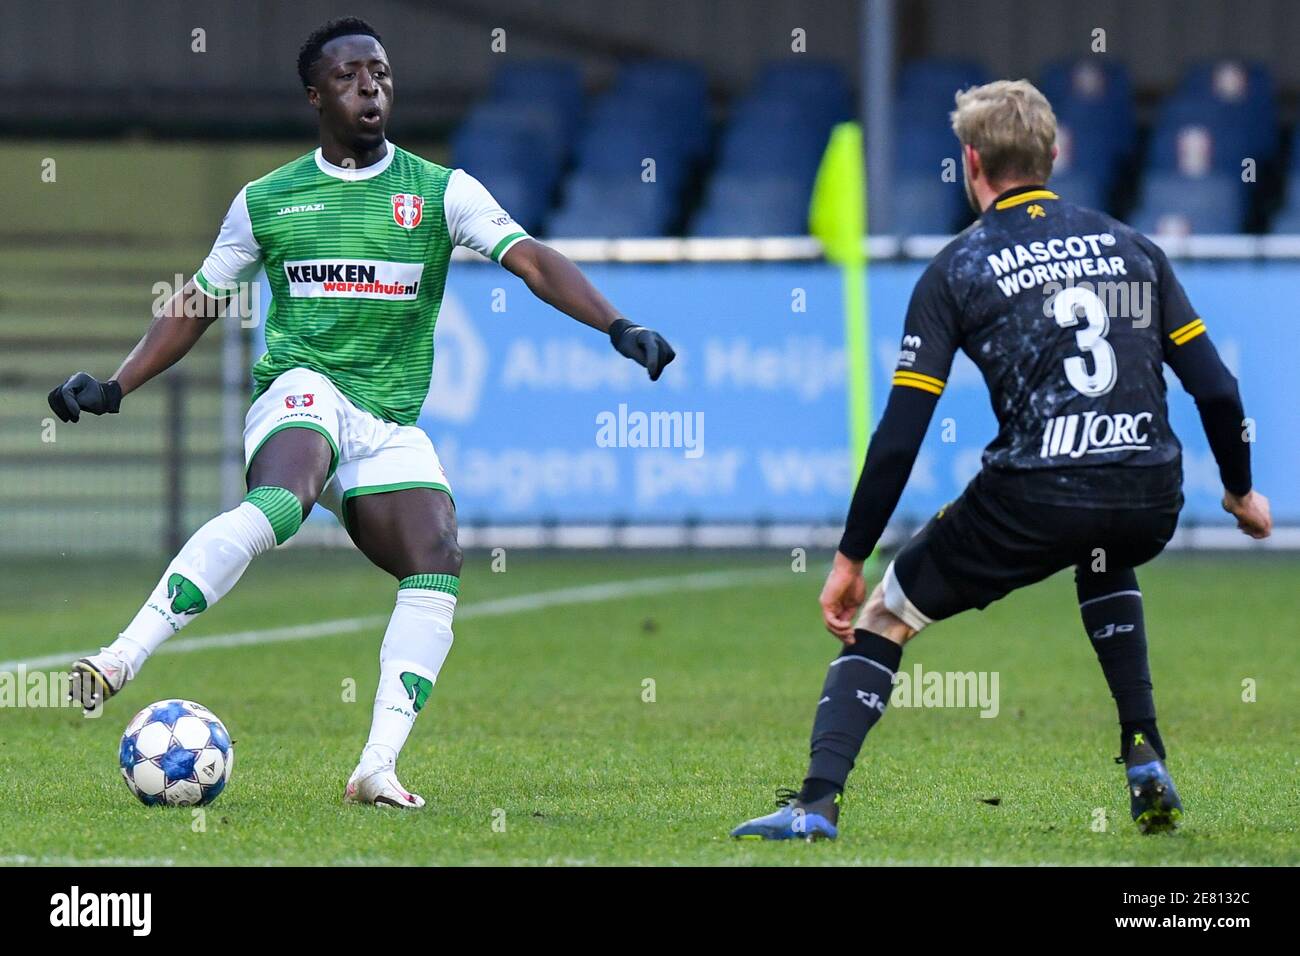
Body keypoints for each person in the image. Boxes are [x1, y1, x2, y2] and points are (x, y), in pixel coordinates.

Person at [48, 17, 675, 809]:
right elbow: (199, 299)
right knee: (281, 503)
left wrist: (617, 324)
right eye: (348, 76)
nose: (369, 85)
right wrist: (116, 383)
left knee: (436, 557)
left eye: (379, 71)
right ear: (317, 96)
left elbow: (532, 260)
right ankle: (120, 658)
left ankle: (376, 768)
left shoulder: (442, 192)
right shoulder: (268, 200)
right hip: (301, 391)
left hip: (386, 421)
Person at [731, 79, 1270, 840]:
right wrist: (1243, 493)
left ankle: (816, 805)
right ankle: (1143, 751)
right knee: (1105, 546)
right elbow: (1217, 387)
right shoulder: (1134, 248)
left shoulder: (959, 268)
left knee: (886, 615)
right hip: (1150, 492)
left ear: (970, 162)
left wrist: (852, 556)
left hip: (1035, 495)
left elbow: (901, 432)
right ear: (1053, 156)